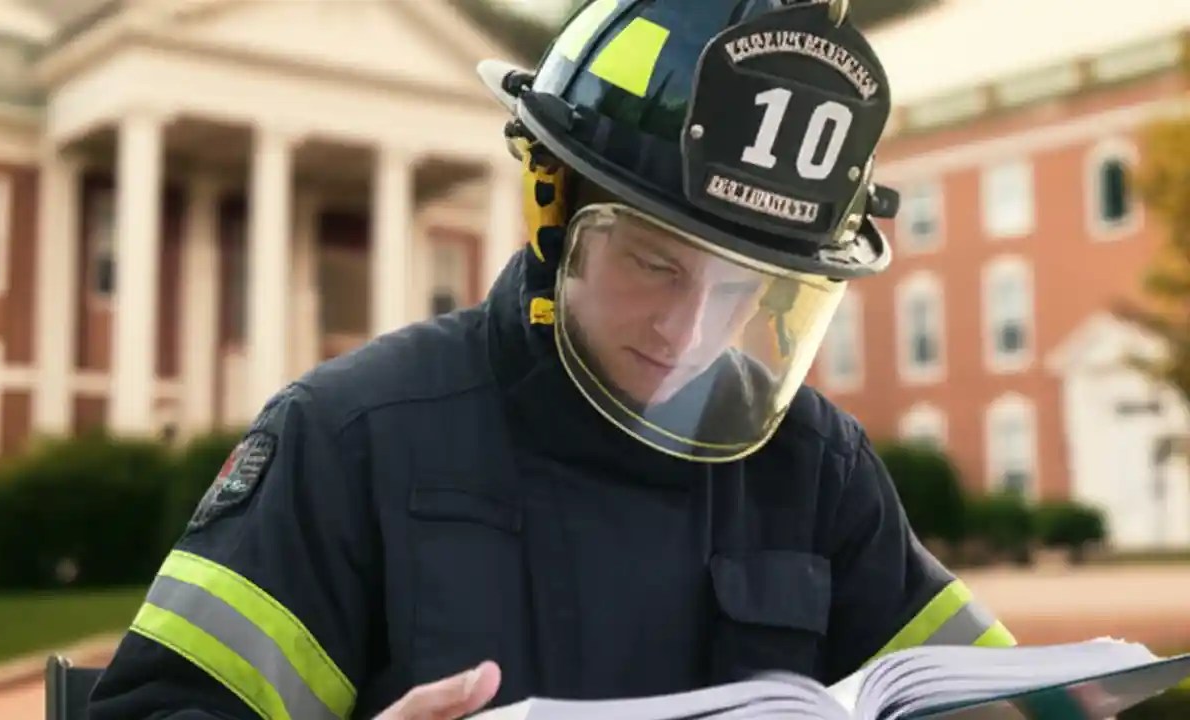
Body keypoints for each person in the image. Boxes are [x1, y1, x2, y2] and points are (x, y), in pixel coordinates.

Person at [88, 1, 1016, 718]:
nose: (688, 332)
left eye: (741, 293)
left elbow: (1001, 695)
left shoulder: (817, 471)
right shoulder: (352, 436)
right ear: (553, 206)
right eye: (656, 265)